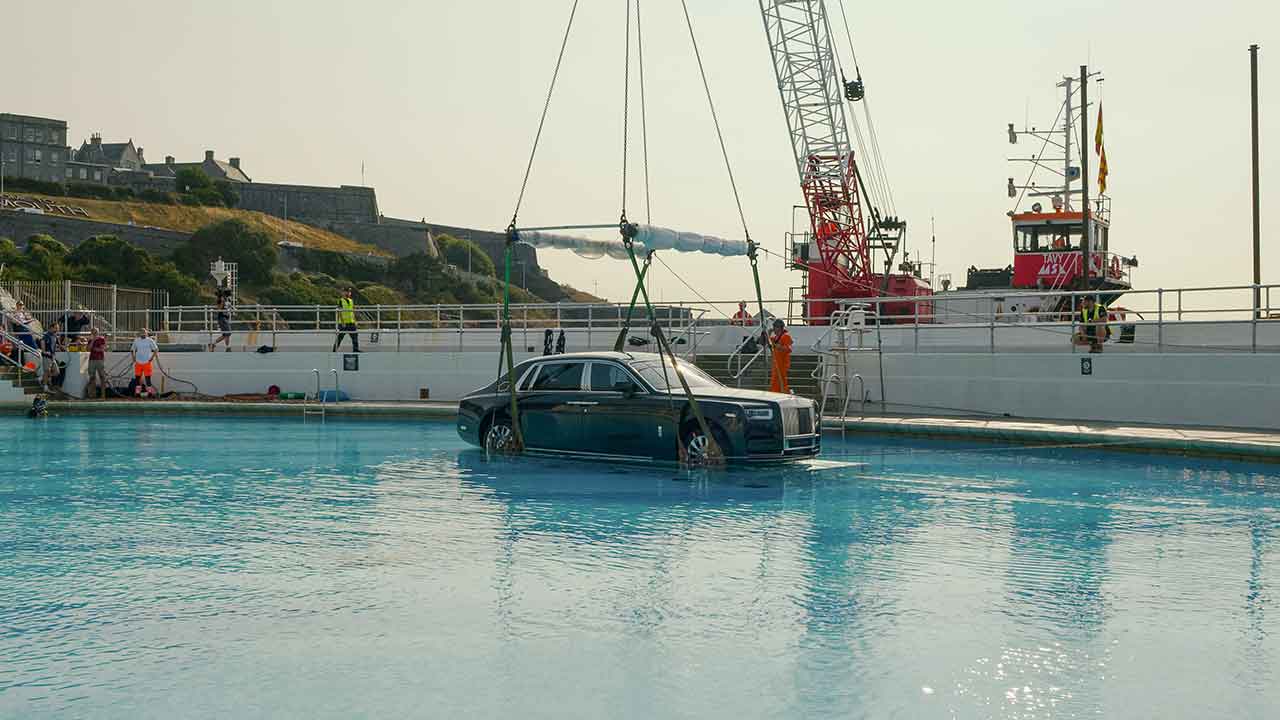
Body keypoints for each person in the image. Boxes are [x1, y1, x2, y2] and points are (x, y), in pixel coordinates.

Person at [131, 328, 160, 398]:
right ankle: (137, 393)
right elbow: (132, 350)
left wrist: (152, 358)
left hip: (147, 362)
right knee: (137, 378)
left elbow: (156, 349)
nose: (143, 333)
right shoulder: (136, 340)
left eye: (144, 332)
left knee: (148, 378)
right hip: (138, 362)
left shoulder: (150, 340)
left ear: (146, 333)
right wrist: (133, 358)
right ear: (139, 333)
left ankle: (150, 393)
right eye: (141, 332)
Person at [767, 318, 793, 394]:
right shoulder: (775, 338)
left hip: (782, 363)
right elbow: (767, 342)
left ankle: (784, 394)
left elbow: (788, 349)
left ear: (779, 328)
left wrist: (778, 346)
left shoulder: (786, 336)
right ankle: (775, 394)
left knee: (781, 381)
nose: (774, 329)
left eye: (775, 327)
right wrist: (768, 333)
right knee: (775, 381)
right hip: (776, 363)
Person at [85, 327, 110, 399]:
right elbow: (88, 349)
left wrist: (97, 349)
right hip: (92, 360)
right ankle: (92, 395)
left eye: (96, 332)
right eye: (93, 332)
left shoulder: (101, 339)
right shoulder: (90, 340)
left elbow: (103, 348)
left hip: (100, 360)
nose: (95, 333)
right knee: (92, 377)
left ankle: (103, 395)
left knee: (102, 377)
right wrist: (93, 340)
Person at [333, 287, 360, 353]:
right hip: (344, 323)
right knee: (340, 337)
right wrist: (342, 322)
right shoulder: (340, 301)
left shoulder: (351, 301)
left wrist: (355, 321)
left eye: (349, 292)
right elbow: (339, 312)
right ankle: (334, 350)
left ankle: (355, 349)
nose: (349, 293)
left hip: (351, 322)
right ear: (343, 292)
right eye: (347, 292)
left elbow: (352, 311)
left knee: (355, 336)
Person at [210, 279, 233, 352]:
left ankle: (216, 345)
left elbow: (229, 307)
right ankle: (226, 347)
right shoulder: (221, 299)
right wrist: (222, 302)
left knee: (226, 334)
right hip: (222, 318)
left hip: (226, 317)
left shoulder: (227, 299)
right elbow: (219, 308)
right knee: (228, 333)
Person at [40, 320, 63, 389]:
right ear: (51, 328)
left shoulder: (55, 336)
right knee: (47, 371)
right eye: (56, 328)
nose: (57, 330)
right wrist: (44, 351)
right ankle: (45, 386)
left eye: (58, 328)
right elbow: (42, 342)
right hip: (46, 356)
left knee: (57, 372)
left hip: (52, 357)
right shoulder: (46, 336)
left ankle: (42, 378)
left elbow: (55, 346)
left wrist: (59, 348)